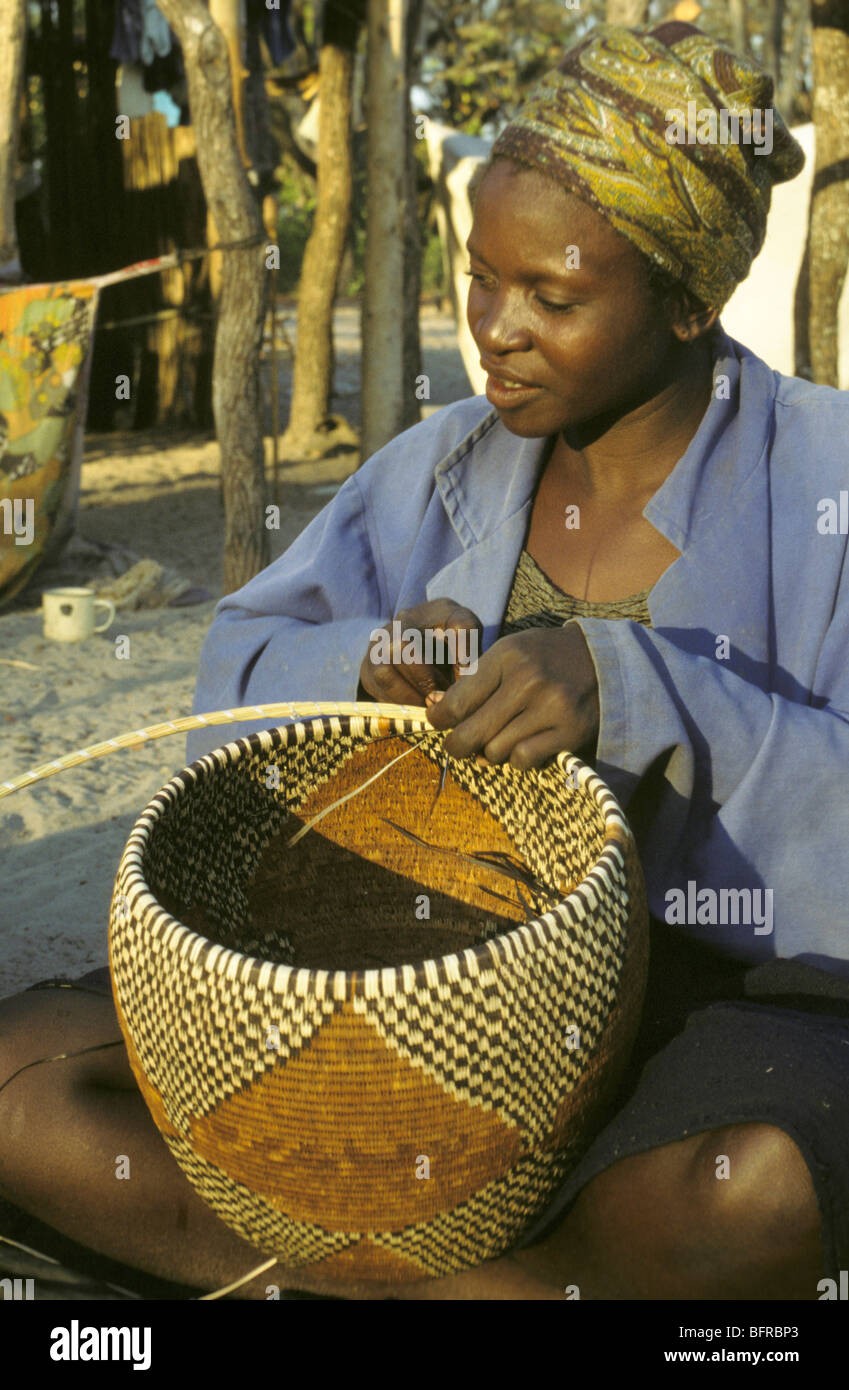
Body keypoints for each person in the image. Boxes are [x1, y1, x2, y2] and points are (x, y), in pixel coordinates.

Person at [2, 21, 849, 1301]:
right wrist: (363, 661)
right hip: (408, 978)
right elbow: (232, 676)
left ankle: (333, 1278)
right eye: (477, 278)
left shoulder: (824, 478)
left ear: (691, 299)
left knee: (763, 1187)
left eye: (553, 298)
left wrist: (639, 693)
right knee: (22, 1080)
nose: (493, 332)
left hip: (697, 996)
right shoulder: (440, 468)